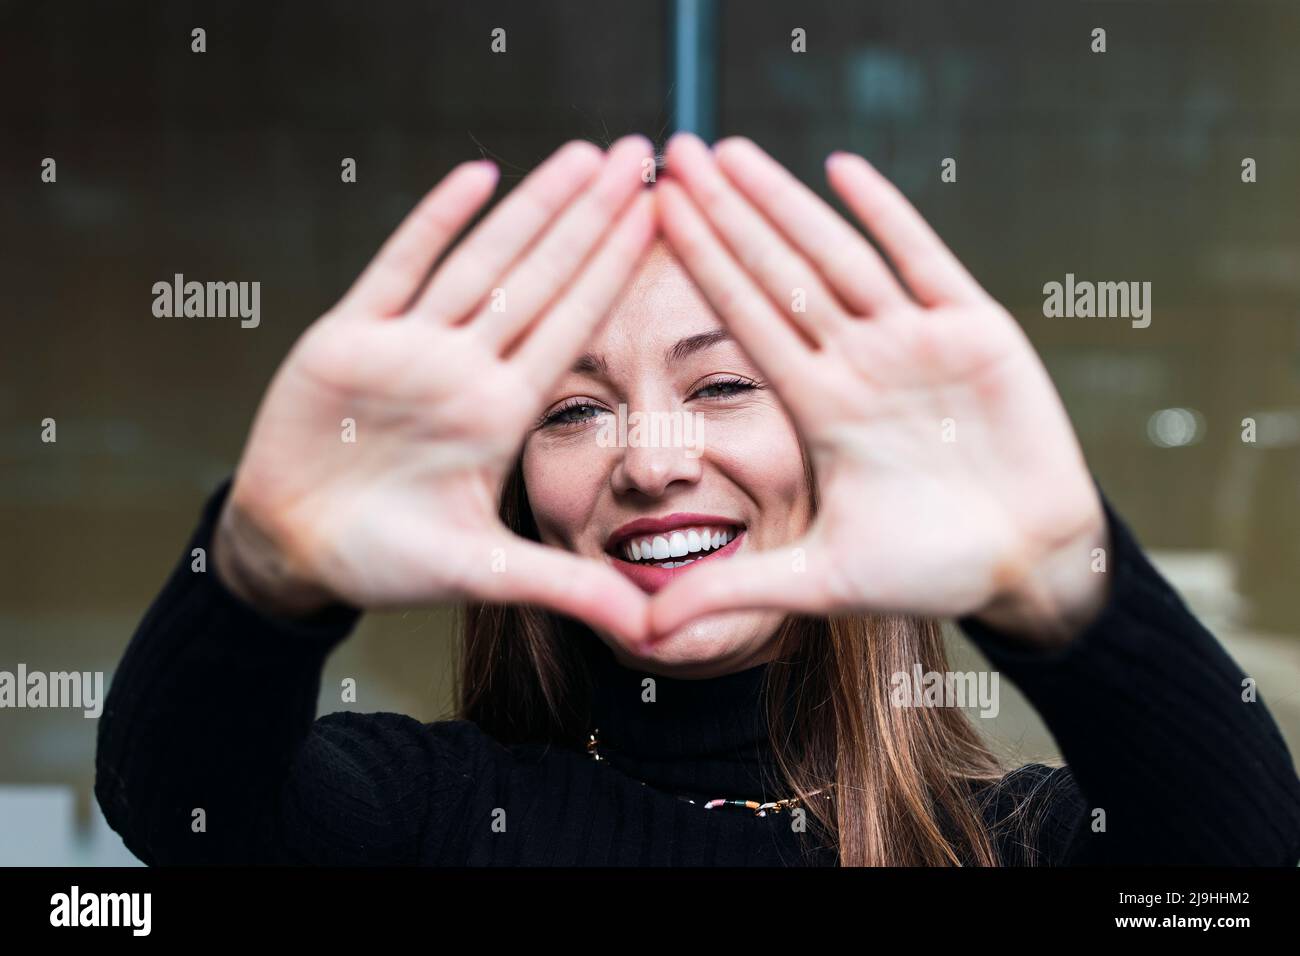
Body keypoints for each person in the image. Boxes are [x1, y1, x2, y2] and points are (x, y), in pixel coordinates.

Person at [94, 133, 1300, 866]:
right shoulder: (427, 814)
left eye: (722, 383)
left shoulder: (1015, 843)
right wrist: (259, 571)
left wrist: (1064, 580)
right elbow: (184, 807)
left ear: (841, 451)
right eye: (571, 410)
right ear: (520, 494)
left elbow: (1236, 853)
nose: (651, 459)